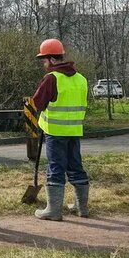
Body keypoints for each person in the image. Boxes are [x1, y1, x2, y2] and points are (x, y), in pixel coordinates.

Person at [31, 38, 90, 221]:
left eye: (44, 60)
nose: (44, 64)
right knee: (76, 167)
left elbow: (37, 102)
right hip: (74, 131)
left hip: (55, 133)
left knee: (55, 169)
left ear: (51, 59)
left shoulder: (51, 78)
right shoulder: (81, 79)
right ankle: (82, 208)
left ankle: (54, 211)